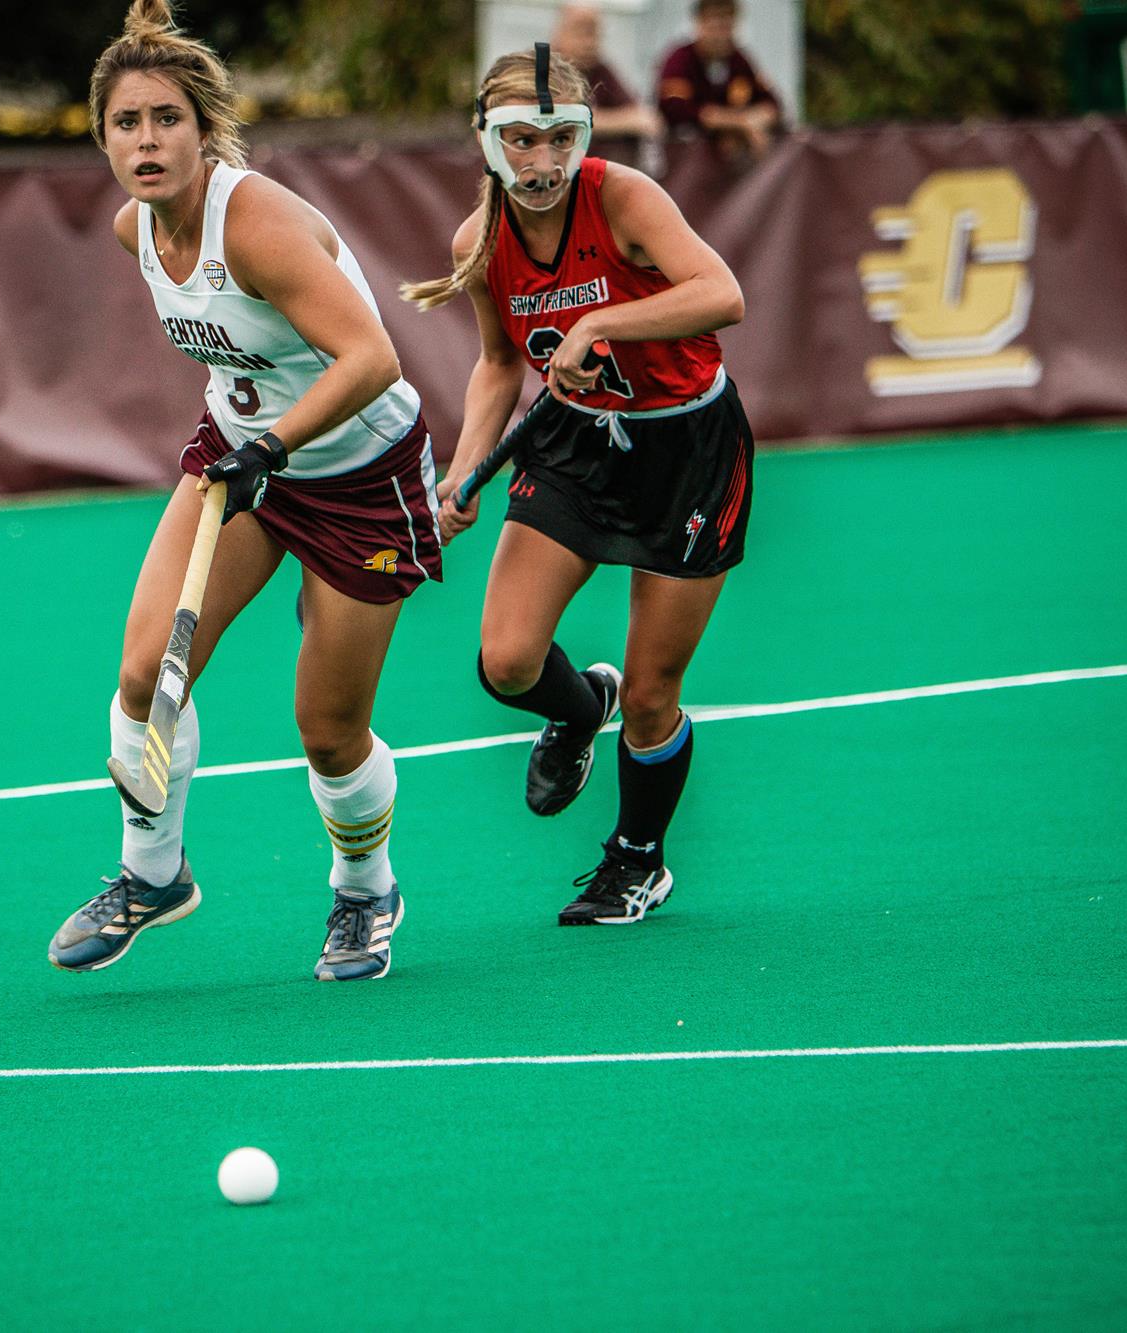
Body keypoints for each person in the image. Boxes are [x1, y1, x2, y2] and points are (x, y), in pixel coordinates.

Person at [47, 0, 441, 982]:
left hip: (362, 472)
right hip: (240, 456)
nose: (145, 140)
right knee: (144, 677)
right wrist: (249, 439)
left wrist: (271, 441)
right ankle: (152, 874)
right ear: (101, 137)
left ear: (202, 128)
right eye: (125, 123)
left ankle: (364, 888)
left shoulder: (254, 223)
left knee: (329, 730)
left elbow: (371, 359)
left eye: (165, 119)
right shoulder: (129, 230)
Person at [401, 44, 751, 926]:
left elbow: (723, 293)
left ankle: (638, 858)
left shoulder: (624, 197)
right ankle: (574, 704)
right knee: (507, 662)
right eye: (520, 139)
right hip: (573, 451)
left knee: (653, 693)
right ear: (486, 140)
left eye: (561, 138)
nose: (543, 162)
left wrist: (601, 319)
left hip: (689, 453)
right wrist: (464, 469)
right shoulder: (479, 241)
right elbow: (494, 363)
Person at [657, 0, 782, 165]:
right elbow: (675, 108)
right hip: (686, 165)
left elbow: (772, 103)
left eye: (727, 26)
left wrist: (757, 120)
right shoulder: (679, 59)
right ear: (698, 24)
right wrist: (737, 123)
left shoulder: (740, 60)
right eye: (714, 26)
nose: (720, 35)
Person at [551, 3, 666, 145]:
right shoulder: (545, 68)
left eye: (594, 33)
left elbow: (642, 115)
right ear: (559, 32)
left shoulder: (600, 69)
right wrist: (621, 122)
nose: (589, 43)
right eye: (580, 32)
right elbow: (559, 117)